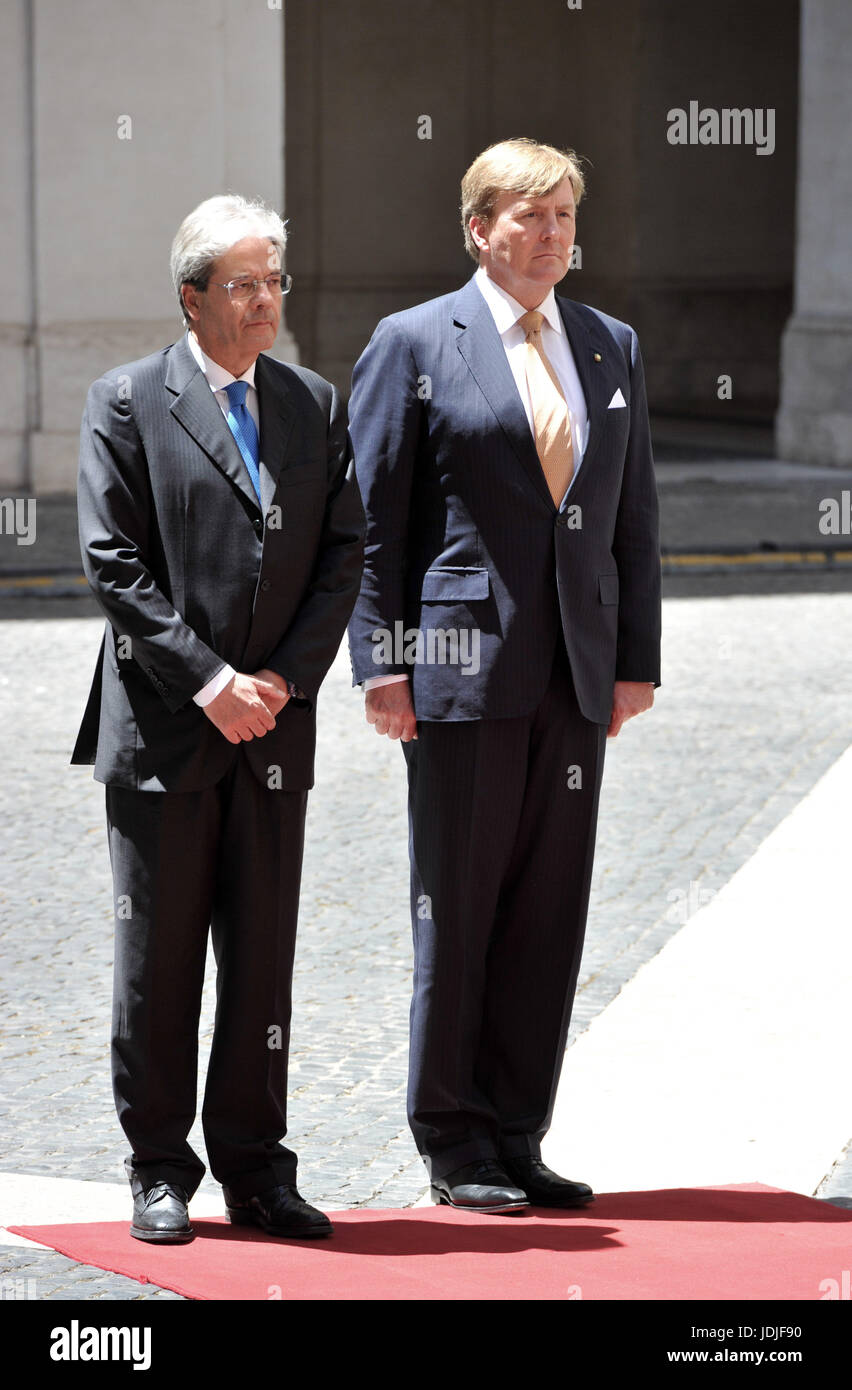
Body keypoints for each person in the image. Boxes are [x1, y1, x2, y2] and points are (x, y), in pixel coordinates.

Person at [347, 139, 661, 1213]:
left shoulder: (610, 344)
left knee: (546, 913)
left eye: (564, 215)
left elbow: (634, 520)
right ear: (477, 227)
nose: (549, 235)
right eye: (527, 216)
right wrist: (381, 663)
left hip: (575, 670)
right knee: (462, 905)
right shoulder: (413, 341)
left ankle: (519, 1132)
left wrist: (634, 661)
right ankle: (453, 1137)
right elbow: (372, 521)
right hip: (459, 670)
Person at [72, 194, 365, 1242]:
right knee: (156, 959)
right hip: (167, 730)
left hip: (274, 733)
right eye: (242, 285)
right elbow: (115, 566)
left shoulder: (311, 405)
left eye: (274, 282)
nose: (264, 303)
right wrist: (212, 683)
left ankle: (256, 1165)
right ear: (189, 297)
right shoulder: (124, 402)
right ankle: (159, 1166)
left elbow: (343, 555)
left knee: (264, 959)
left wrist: (281, 682)